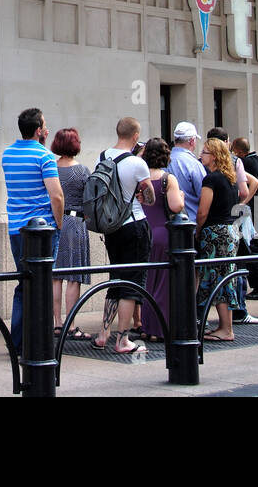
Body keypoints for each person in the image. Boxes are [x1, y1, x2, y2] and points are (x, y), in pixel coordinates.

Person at [3, 107, 64, 354]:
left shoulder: (7, 154)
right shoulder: (45, 157)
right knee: (41, 286)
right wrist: (58, 224)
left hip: (17, 228)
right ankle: (38, 343)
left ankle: (18, 342)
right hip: (42, 230)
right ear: (39, 130)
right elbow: (57, 196)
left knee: (23, 284)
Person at [93, 117, 153, 355]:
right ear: (136, 136)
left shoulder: (102, 156)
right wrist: (143, 193)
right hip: (134, 225)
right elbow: (150, 198)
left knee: (116, 277)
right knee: (131, 283)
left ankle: (103, 334)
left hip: (111, 226)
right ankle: (123, 339)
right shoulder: (138, 164)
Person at [139, 137, 183, 342]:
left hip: (144, 232)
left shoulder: (141, 179)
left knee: (148, 283)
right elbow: (176, 207)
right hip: (163, 234)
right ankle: (159, 329)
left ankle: (146, 326)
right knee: (163, 285)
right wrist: (181, 196)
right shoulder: (168, 179)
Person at [197, 137, 241, 341]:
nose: (201, 155)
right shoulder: (229, 178)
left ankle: (226, 329)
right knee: (225, 278)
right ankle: (225, 326)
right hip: (230, 231)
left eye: (205, 152)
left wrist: (197, 230)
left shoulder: (211, 179)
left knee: (218, 279)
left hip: (215, 233)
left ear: (213, 155)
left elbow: (203, 211)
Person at [51, 127, 92, 341]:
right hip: (76, 222)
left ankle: (56, 322)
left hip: (55, 222)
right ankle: (71, 324)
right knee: (73, 277)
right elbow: (90, 199)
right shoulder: (83, 171)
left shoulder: (51, 168)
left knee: (55, 276)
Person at [232, 137, 258, 301]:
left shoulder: (245, 163)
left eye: (235, 152)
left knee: (253, 248)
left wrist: (243, 202)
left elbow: (252, 184)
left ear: (240, 152)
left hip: (256, 207)